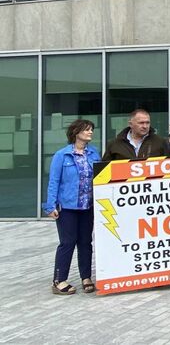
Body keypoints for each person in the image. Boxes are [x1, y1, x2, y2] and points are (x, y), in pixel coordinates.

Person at [44, 119, 101, 295]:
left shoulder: (94, 153)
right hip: (67, 207)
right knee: (67, 243)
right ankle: (59, 280)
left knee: (85, 242)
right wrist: (50, 205)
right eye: (87, 130)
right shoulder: (62, 155)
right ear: (77, 132)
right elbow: (54, 181)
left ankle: (86, 277)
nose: (91, 132)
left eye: (91, 129)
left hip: (87, 206)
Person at [103, 109, 168, 160]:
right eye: (141, 123)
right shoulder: (115, 144)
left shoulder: (160, 142)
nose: (145, 126)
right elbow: (103, 170)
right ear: (130, 124)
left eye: (147, 123)